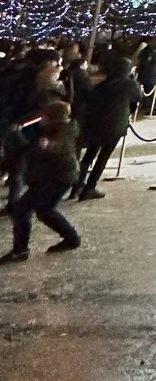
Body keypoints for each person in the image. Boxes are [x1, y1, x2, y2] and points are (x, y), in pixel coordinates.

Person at [2, 99, 82, 261]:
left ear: (54, 118)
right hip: (45, 177)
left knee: (36, 210)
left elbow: (61, 147)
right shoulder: (48, 128)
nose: (41, 119)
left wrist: (47, 146)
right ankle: (70, 238)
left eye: (44, 117)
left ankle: (21, 250)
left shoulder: (66, 130)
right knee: (37, 210)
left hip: (57, 178)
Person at [75, 53, 143, 199]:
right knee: (103, 157)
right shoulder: (129, 84)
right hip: (115, 125)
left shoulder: (103, 85)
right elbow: (137, 99)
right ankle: (89, 187)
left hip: (96, 124)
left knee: (89, 156)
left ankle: (77, 185)